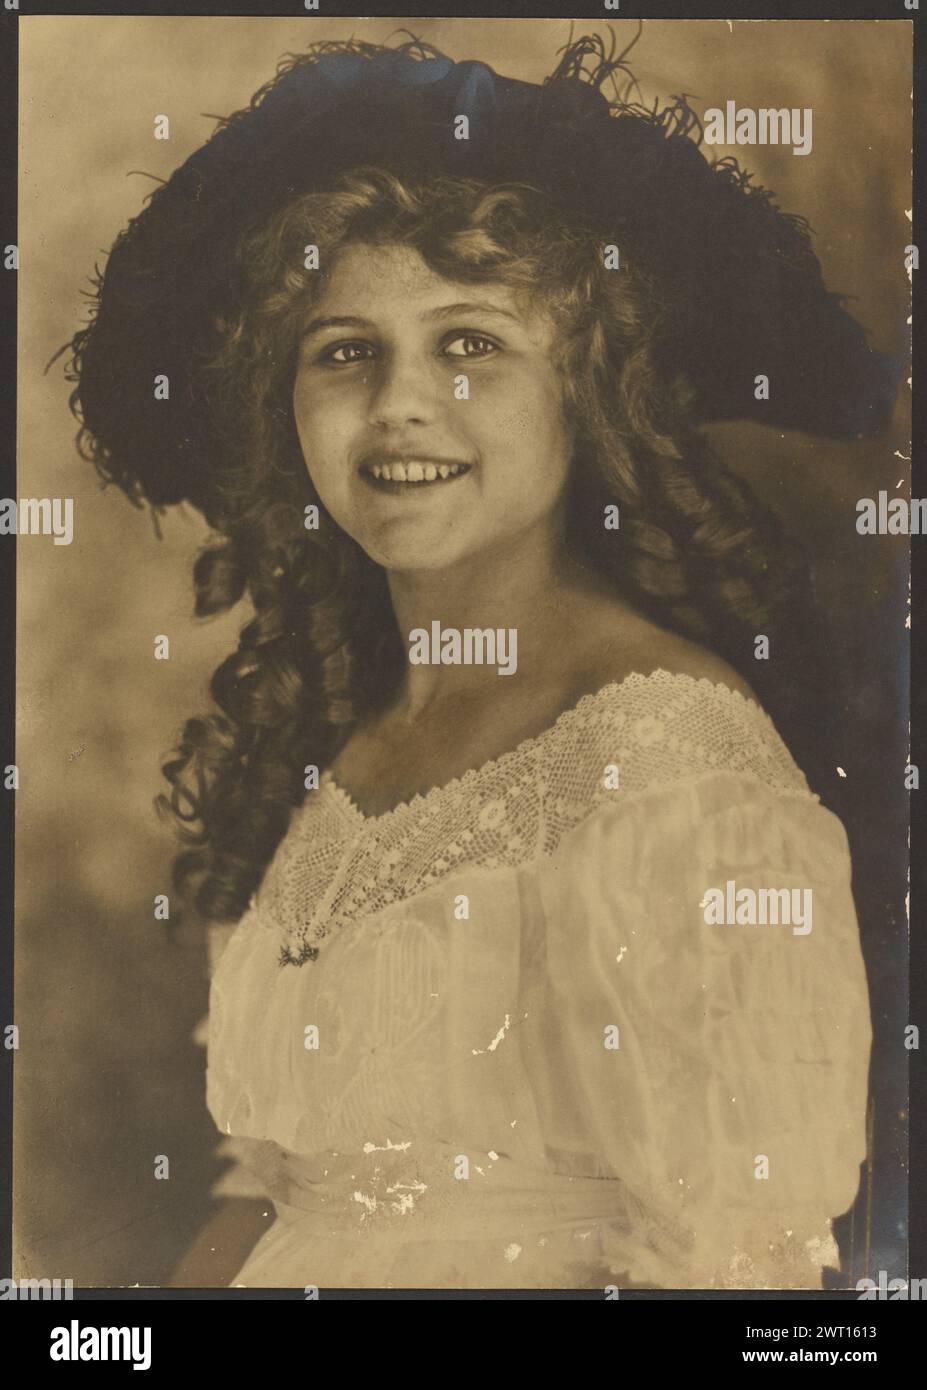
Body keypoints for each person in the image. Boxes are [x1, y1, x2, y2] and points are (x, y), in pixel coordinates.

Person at [65, 33, 894, 1290]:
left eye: (471, 345)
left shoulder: (670, 762)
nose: (401, 402)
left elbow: (739, 1259)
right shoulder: (339, 730)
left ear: (583, 393)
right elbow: (274, 1185)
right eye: (345, 350)